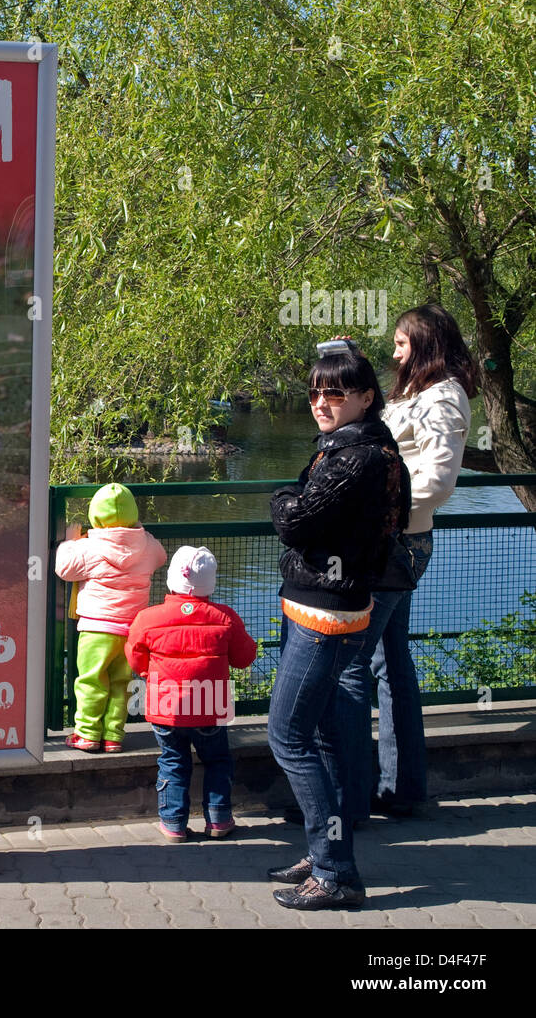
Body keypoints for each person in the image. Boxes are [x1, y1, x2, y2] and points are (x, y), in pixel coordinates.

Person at [267, 350, 410, 910]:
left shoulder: (357, 458)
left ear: (366, 397)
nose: (322, 403)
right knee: (322, 737)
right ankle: (323, 849)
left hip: (325, 616)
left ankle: (334, 874)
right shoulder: (356, 448)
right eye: (315, 394)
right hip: (332, 608)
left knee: (287, 737)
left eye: (336, 393)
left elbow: (293, 520)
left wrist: (281, 498)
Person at [344, 307, 476, 818]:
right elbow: (378, 431)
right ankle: (401, 789)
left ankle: (348, 800)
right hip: (394, 544)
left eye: (401, 344)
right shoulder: (415, 394)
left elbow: (439, 483)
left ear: (422, 344)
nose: (395, 353)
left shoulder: (443, 398)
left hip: (394, 547)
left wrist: (375, 501)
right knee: (390, 664)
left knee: (349, 664)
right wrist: (352, 365)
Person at [126, 545, 257, 842]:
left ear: (172, 579)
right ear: (210, 583)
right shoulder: (224, 617)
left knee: (173, 760)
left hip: (166, 706)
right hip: (210, 705)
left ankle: (173, 823)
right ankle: (219, 819)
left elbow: (134, 654)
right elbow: (243, 657)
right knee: (217, 760)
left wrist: (149, 673)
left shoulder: (149, 618)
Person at [55, 483, 167, 753]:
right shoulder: (148, 545)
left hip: (96, 628)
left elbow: (64, 569)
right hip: (131, 630)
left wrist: (70, 541)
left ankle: (88, 733)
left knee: (91, 680)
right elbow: (161, 557)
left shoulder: (89, 547)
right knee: (121, 683)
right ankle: (113, 736)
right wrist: (139, 534)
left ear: (96, 515)